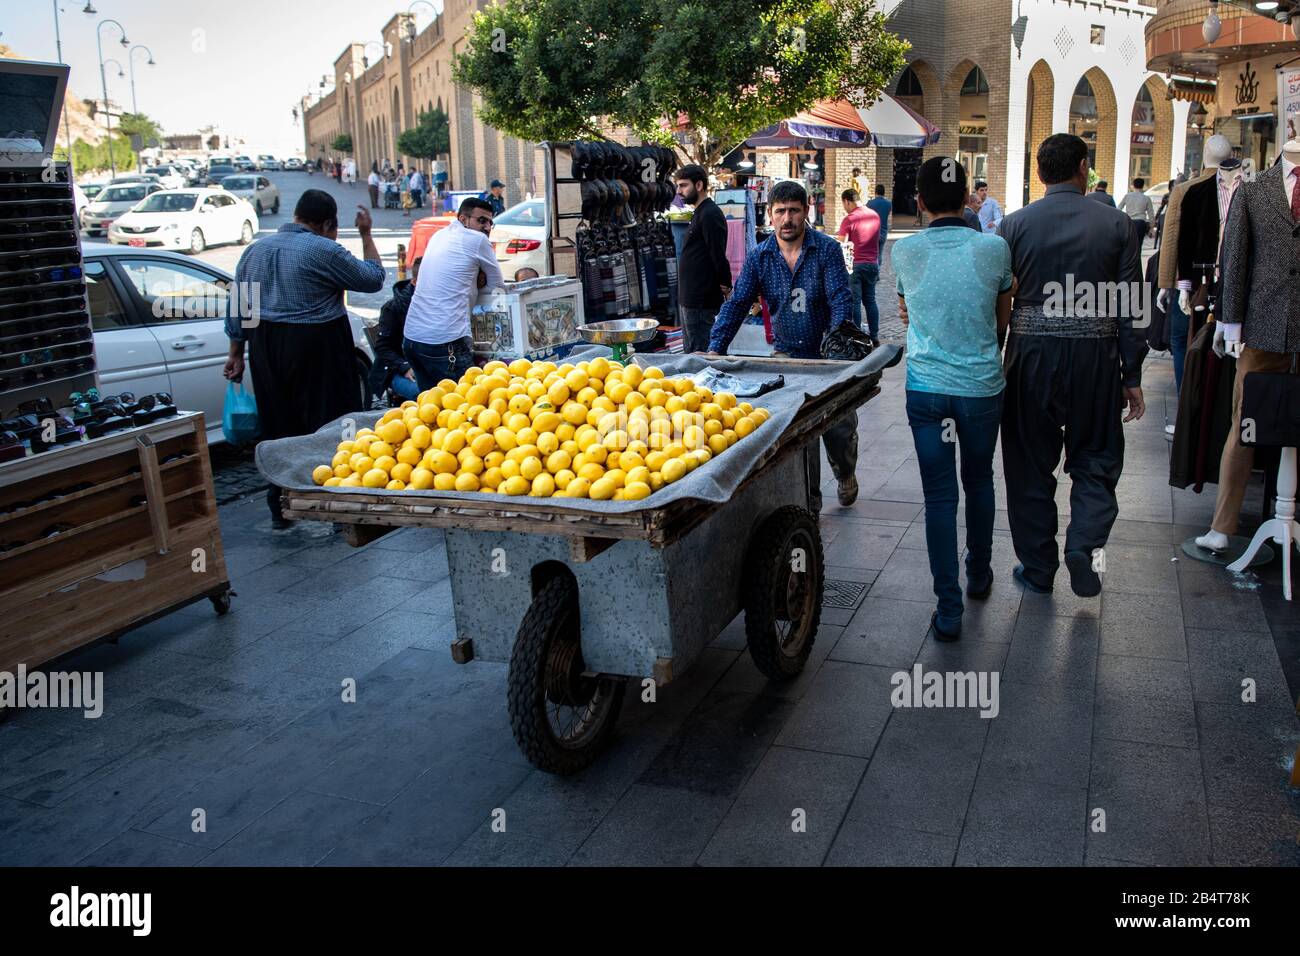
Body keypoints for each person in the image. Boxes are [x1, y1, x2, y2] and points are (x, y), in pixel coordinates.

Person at [997, 133, 1146, 596]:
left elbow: (1000, 300)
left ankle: (1038, 567)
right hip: (1094, 359)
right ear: (1084, 167)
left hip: (1030, 356)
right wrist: (1132, 374)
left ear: (1040, 173)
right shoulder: (1118, 225)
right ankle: (1082, 544)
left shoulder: (1012, 225)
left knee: (1027, 462)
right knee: (1097, 457)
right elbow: (1132, 305)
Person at [893, 157, 1014, 640]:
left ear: (919, 203)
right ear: (969, 197)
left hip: (926, 389)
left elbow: (905, 311)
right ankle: (979, 573)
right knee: (979, 481)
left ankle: (948, 609)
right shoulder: (993, 248)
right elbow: (1002, 317)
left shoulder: (906, 253)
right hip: (981, 388)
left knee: (939, 498)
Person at [223, 190, 385, 527]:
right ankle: (339, 505)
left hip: (266, 345)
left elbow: (240, 308)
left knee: (278, 425)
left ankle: (281, 505)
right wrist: (367, 235)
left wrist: (236, 354)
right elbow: (373, 279)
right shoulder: (323, 249)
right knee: (330, 423)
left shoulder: (254, 251)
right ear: (327, 223)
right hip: (316, 343)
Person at [705, 179, 860, 507]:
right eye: (780, 212)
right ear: (770, 215)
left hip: (826, 355)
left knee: (838, 427)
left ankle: (845, 472)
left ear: (805, 212)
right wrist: (716, 348)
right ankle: (811, 504)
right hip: (786, 356)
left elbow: (840, 300)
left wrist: (836, 347)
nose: (787, 218)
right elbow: (737, 303)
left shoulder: (827, 250)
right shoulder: (759, 257)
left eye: (793, 210)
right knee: (802, 434)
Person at [403, 197, 505, 388]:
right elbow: (497, 287)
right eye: (481, 220)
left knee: (430, 408)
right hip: (445, 341)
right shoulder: (477, 240)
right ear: (463, 219)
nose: (487, 227)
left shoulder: (439, 235)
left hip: (412, 339)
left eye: (490, 222)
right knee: (466, 406)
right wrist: (479, 283)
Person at [673, 163, 732, 354]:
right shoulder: (700, 212)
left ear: (698, 185)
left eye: (683, 185)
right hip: (691, 298)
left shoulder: (709, 214)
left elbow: (718, 254)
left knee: (701, 357)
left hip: (701, 300)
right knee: (691, 353)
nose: (679, 191)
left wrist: (726, 283)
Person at [367, 257, 423, 404]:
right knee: (423, 392)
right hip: (397, 369)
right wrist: (404, 367)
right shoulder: (393, 307)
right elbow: (383, 347)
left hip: (427, 364)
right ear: (415, 282)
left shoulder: (438, 301)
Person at [836, 188, 882, 344]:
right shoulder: (874, 215)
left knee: (855, 302)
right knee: (870, 300)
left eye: (844, 204)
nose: (845, 208)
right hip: (872, 264)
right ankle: (874, 336)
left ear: (847, 201)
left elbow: (841, 243)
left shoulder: (850, 219)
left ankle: (857, 338)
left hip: (855, 265)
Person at [1118, 177, 1154, 250]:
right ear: (1143, 186)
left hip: (1129, 222)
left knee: (1128, 246)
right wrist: (1151, 227)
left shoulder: (1127, 196)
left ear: (1133, 185)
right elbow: (1151, 214)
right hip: (1140, 223)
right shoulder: (1146, 198)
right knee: (1138, 246)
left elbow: (1119, 208)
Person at [867, 183, 892, 263]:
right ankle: (878, 271)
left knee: (872, 254)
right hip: (883, 231)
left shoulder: (870, 203)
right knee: (880, 253)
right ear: (884, 192)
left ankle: (874, 272)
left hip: (872, 232)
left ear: (875, 192)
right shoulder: (888, 204)